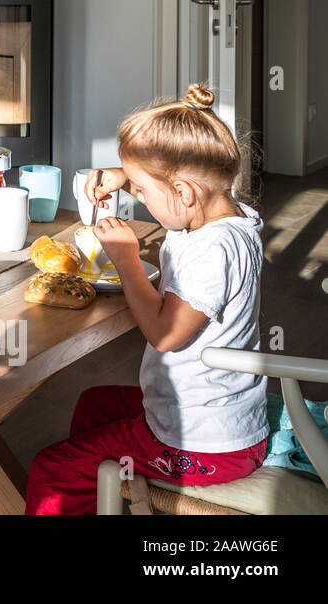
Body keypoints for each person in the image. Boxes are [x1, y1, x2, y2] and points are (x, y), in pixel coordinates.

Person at [26, 84, 268, 515]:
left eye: (141, 191)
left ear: (184, 192)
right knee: (94, 404)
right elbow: (181, 190)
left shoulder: (210, 252)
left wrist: (126, 259)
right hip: (217, 417)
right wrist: (126, 174)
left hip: (202, 446)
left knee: (51, 468)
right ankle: (101, 502)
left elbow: (165, 333)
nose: (137, 197)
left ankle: (80, 492)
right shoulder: (228, 218)